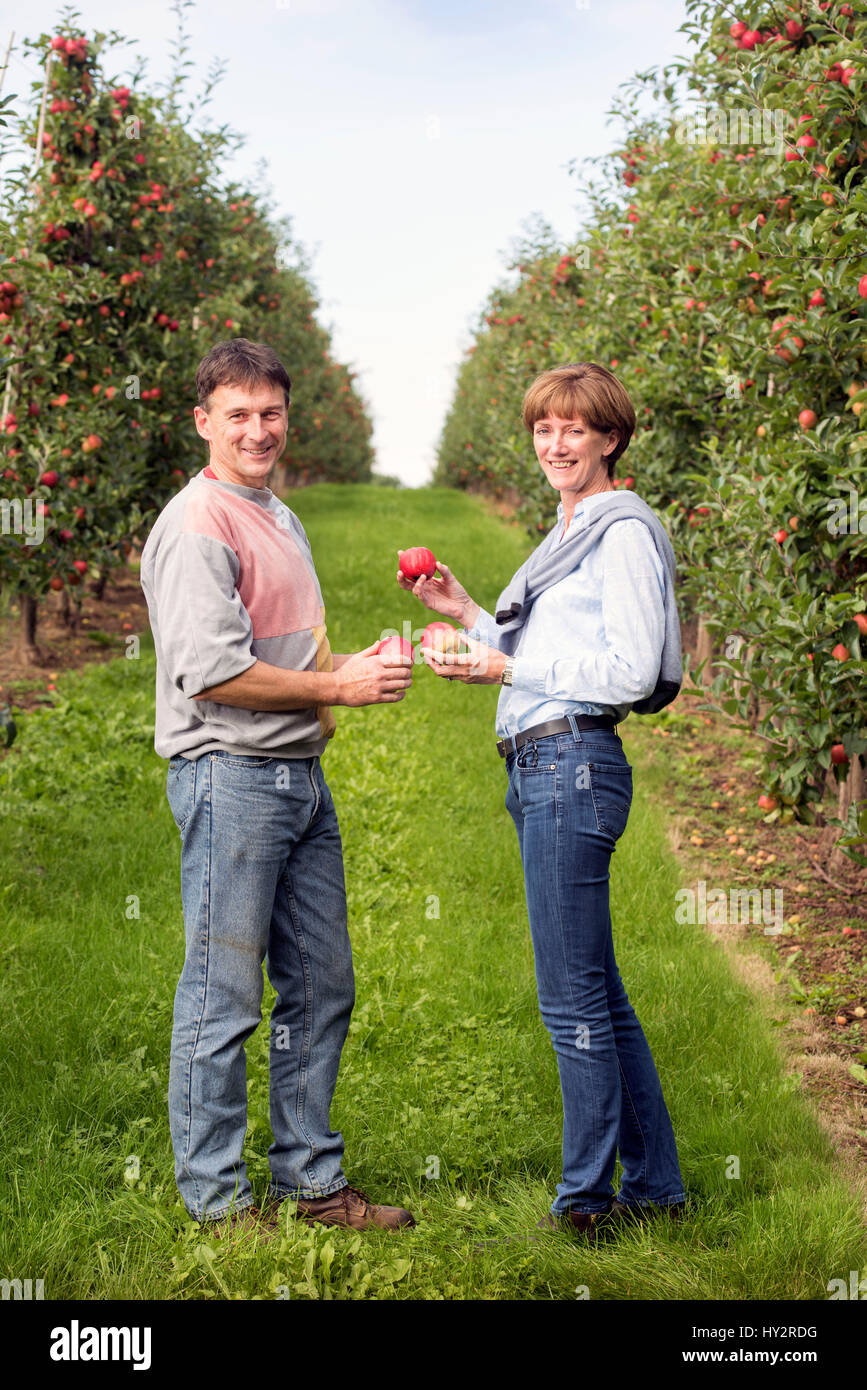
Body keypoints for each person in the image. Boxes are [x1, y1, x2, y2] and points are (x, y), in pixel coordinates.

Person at [398, 362, 687, 1239]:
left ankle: (586, 1204)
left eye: (574, 429)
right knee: (596, 992)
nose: (555, 444)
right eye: (543, 429)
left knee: (570, 1002)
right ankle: (656, 1190)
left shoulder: (622, 532)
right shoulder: (568, 528)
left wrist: (503, 663)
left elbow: (629, 672)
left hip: (573, 768)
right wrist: (469, 615)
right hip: (542, 766)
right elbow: (552, 647)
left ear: (609, 438)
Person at [140, 338, 415, 1238]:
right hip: (232, 778)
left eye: (270, 413)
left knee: (318, 985)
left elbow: (292, 653)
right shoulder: (197, 525)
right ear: (203, 422)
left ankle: (310, 1184)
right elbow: (215, 675)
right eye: (237, 415)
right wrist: (335, 689)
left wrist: (354, 666)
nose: (257, 431)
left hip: (297, 779)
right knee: (223, 998)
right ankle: (215, 1205)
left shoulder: (278, 515)